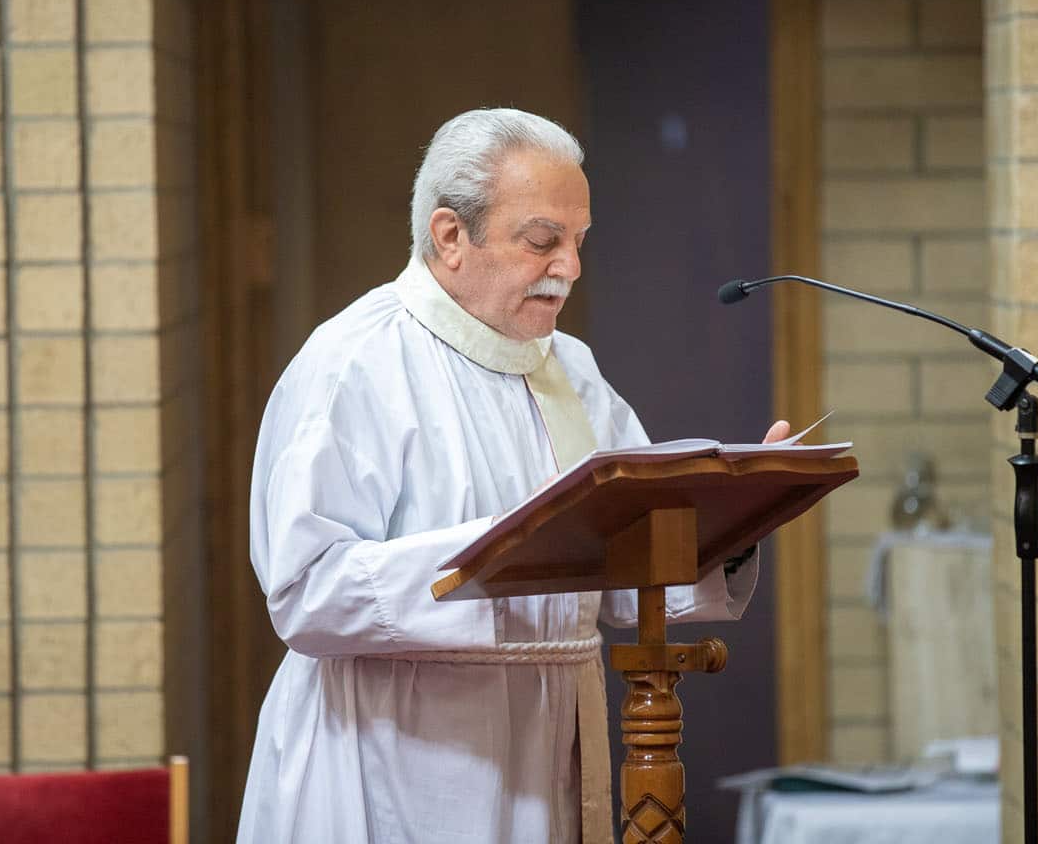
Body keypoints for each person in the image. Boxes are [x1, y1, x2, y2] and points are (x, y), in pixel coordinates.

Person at [235, 108, 787, 843]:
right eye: (542, 242)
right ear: (450, 236)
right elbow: (304, 590)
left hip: (547, 746)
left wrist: (737, 518)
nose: (569, 267)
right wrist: (499, 562)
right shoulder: (354, 364)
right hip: (397, 758)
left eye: (579, 242)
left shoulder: (571, 371)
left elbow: (629, 562)